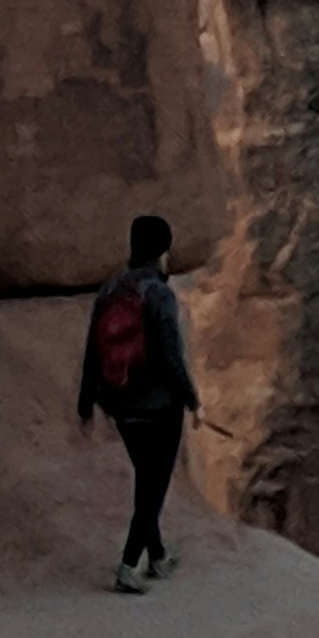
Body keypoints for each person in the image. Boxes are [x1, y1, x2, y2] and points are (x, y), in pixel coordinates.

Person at [77, 211, 200, 591]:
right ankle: (129, 566)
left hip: (118, 403)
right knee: (153, 487)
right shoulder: (158, 293)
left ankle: (158, 556)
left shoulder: (111, 290)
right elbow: (169, 355)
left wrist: (86, 401)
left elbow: (92, 351)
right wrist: (193, 400)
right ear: (164, 251)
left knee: (146, 478)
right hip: (159, 406)